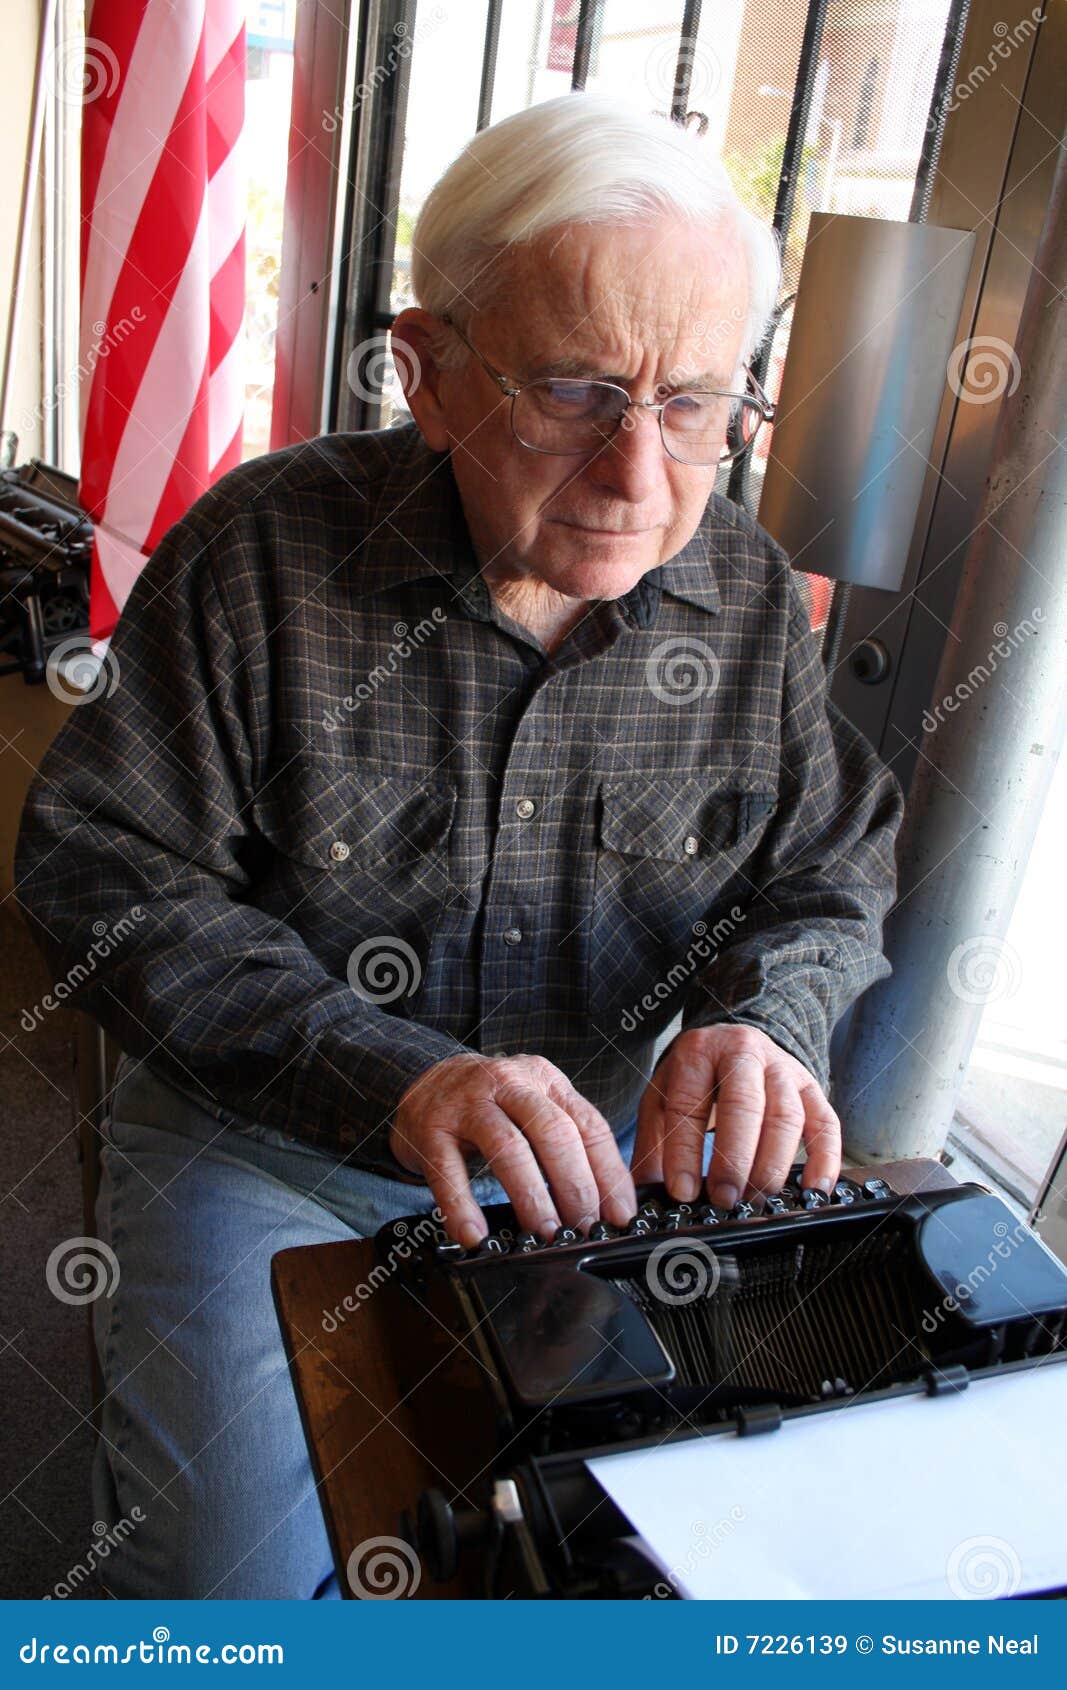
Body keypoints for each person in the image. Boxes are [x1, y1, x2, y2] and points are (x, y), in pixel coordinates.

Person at [14, 93, 903, 1598]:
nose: (639, 476)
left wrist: (768, 1024)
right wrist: (393, 1072)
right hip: (277, 1154)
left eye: (693, 404)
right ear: (426, 373)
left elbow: (831, 865)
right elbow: (101, 869)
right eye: (576, 392)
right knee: (237, 1593)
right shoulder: (261, 553)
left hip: (604, 1173)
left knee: (704, 1560)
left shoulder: (746, 596)